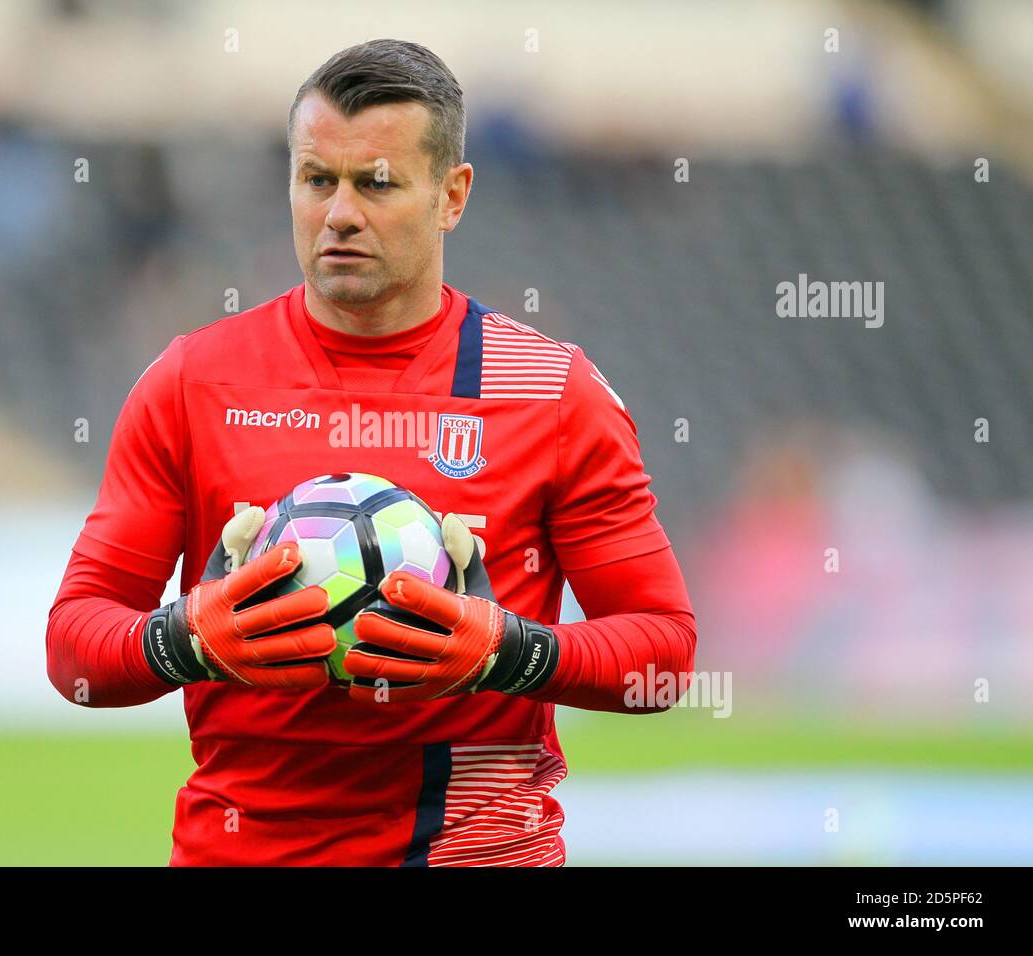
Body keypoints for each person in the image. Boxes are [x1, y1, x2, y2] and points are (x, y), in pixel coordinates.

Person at [47, 38, 696, 866]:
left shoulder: (550, 391)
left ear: (452, 195)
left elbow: (664, 650)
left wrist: (509, 652)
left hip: (474, 851)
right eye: (318, 180)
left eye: (377, 183)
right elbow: (73, 648)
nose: (340, 213)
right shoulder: (193, 381)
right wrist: (188, 638)